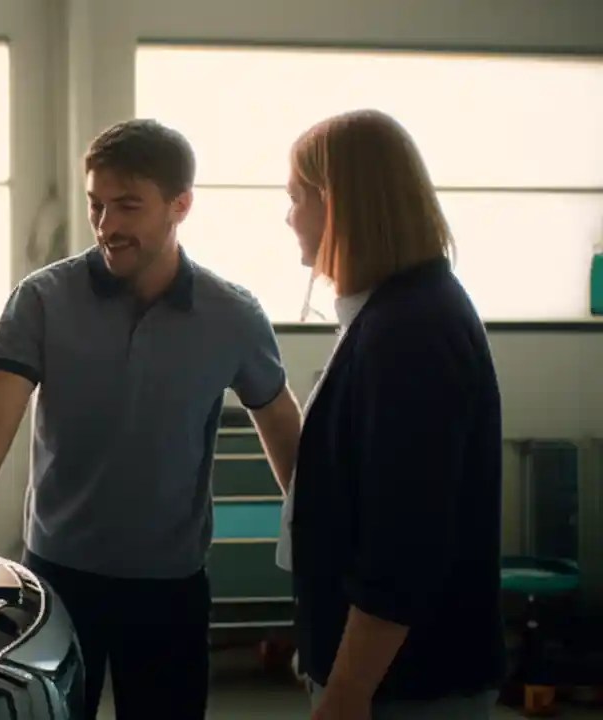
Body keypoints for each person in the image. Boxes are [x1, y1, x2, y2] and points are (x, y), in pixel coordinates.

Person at [0, 118, 304, 719]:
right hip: (59, 580)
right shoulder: (43, 299)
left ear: (182, 204)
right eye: (97, 205)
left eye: (128, 206)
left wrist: (312, 529)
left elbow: (278, 418)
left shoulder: (232, 314)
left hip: (169, 587)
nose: (107, 226)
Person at [278, 108, 506, 720]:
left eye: (297, 197)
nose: (289, 216)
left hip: (407, 688)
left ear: (340, 203)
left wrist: (348, 692)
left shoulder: (410, 333)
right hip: (395, 679)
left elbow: (403, 545)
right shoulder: (395, 312)